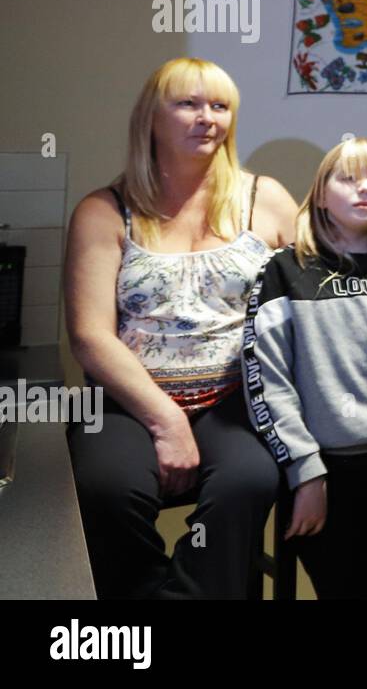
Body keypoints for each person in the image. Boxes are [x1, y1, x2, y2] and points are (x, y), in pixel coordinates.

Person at [64, 57, 299, 599]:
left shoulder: (265, 198)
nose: (207, 118)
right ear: (152, 117)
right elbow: (88, 335)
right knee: (104, 491)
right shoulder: (104, 211)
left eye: (219, 106)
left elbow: (318, 288)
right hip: (129, 402)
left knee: (248, 483)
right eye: (188, 104)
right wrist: (166, 420)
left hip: (235, 399)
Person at [241, 137, 367, 599]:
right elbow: (266, 381)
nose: (366, 190)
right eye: (349, 178)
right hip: (326, 471)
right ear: (319, 194)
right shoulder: (283, 270)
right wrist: (306, 471)